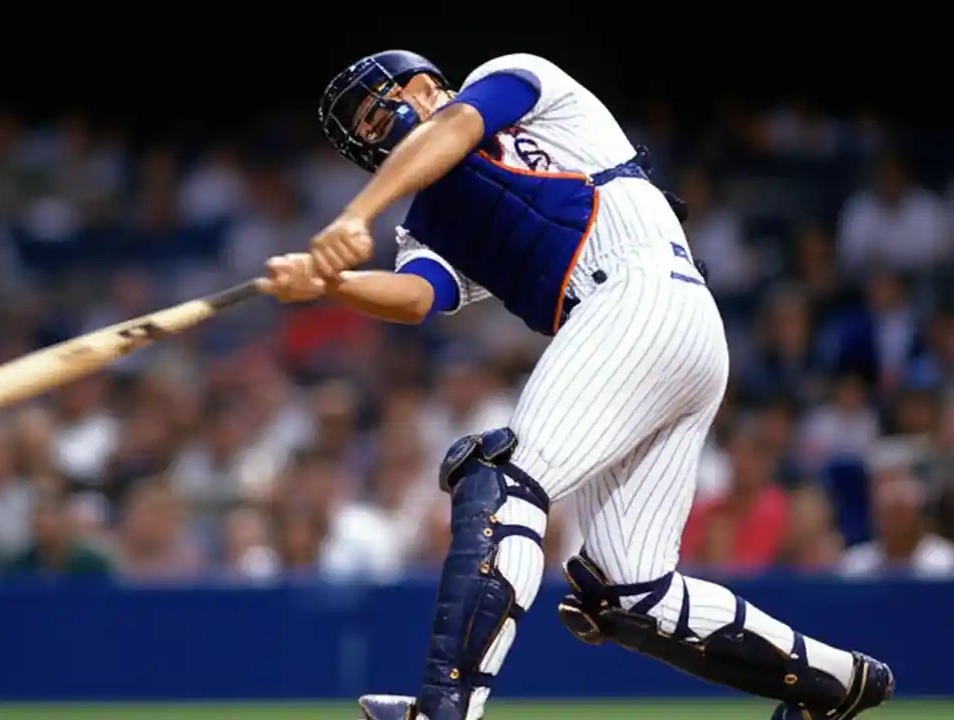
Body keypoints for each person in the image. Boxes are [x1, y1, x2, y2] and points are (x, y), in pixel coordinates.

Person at [256, 50, 893, 720]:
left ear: (424, 84)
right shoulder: (427, 220)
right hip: (646, 335)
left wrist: (353, 218)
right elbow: (419, 295)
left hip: (639, 291)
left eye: (375, 107)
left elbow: (459, 126)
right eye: (362, 128)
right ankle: (835, 684)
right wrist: (329, 283)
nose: (374, 130)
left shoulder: (510, 80)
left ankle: (445, 711)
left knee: (499, 479)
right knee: (627, 592)